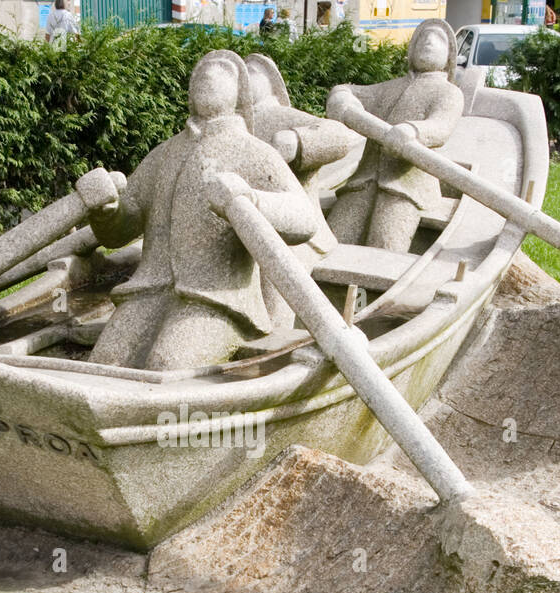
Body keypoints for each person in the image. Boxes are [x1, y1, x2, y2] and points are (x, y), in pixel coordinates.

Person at [81, 51, 318, 370]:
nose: (208, 72)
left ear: (239, 93)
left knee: (168, 364)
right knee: (105, 361)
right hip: (148, 290)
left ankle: (169, 419)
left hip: (217, 299)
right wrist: (106, 209)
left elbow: (304, 219)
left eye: (222, 68)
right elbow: (122, 230)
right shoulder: (163, 154)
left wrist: (253, 199)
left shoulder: (253, 153)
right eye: (201, 69)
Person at [326, 19, 464, 254]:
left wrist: (413, 131)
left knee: (386, 242)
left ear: (450, 55)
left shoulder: (449, 93)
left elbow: (441, 126)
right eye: (422, 38)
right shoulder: (389, 88)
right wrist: (341, 98)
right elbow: (348, 89)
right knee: (336, 237)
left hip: (407, 186)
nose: (429, 41)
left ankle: (375, 291)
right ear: (411, 51)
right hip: (364, 181)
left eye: (438, 39)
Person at [246, 53, 360, 328]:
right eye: (242, 73)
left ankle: (276, 337)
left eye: (254, 71)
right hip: (238, 227)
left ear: (273, 85)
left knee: (276, 271)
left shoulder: (285, 117)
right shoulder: (236, 124)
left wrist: (298, 141)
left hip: (296, 234)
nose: (246, 77)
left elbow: (337, 135)